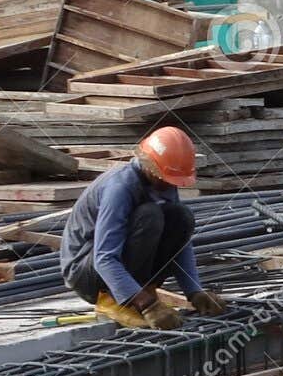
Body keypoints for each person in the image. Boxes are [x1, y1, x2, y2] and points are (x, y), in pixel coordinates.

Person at [59, 127, 227, 329]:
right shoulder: (119, 188)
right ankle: (113, 300)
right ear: (150, 166)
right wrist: (146, 304)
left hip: (109, 266)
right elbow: (104, 258)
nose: (169, 185)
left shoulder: (162, 181)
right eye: (165, 178)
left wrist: (194, 291)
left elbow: (180, 243)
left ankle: (144, 291)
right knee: (150, 215)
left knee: (180, 216)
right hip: (87, 274)